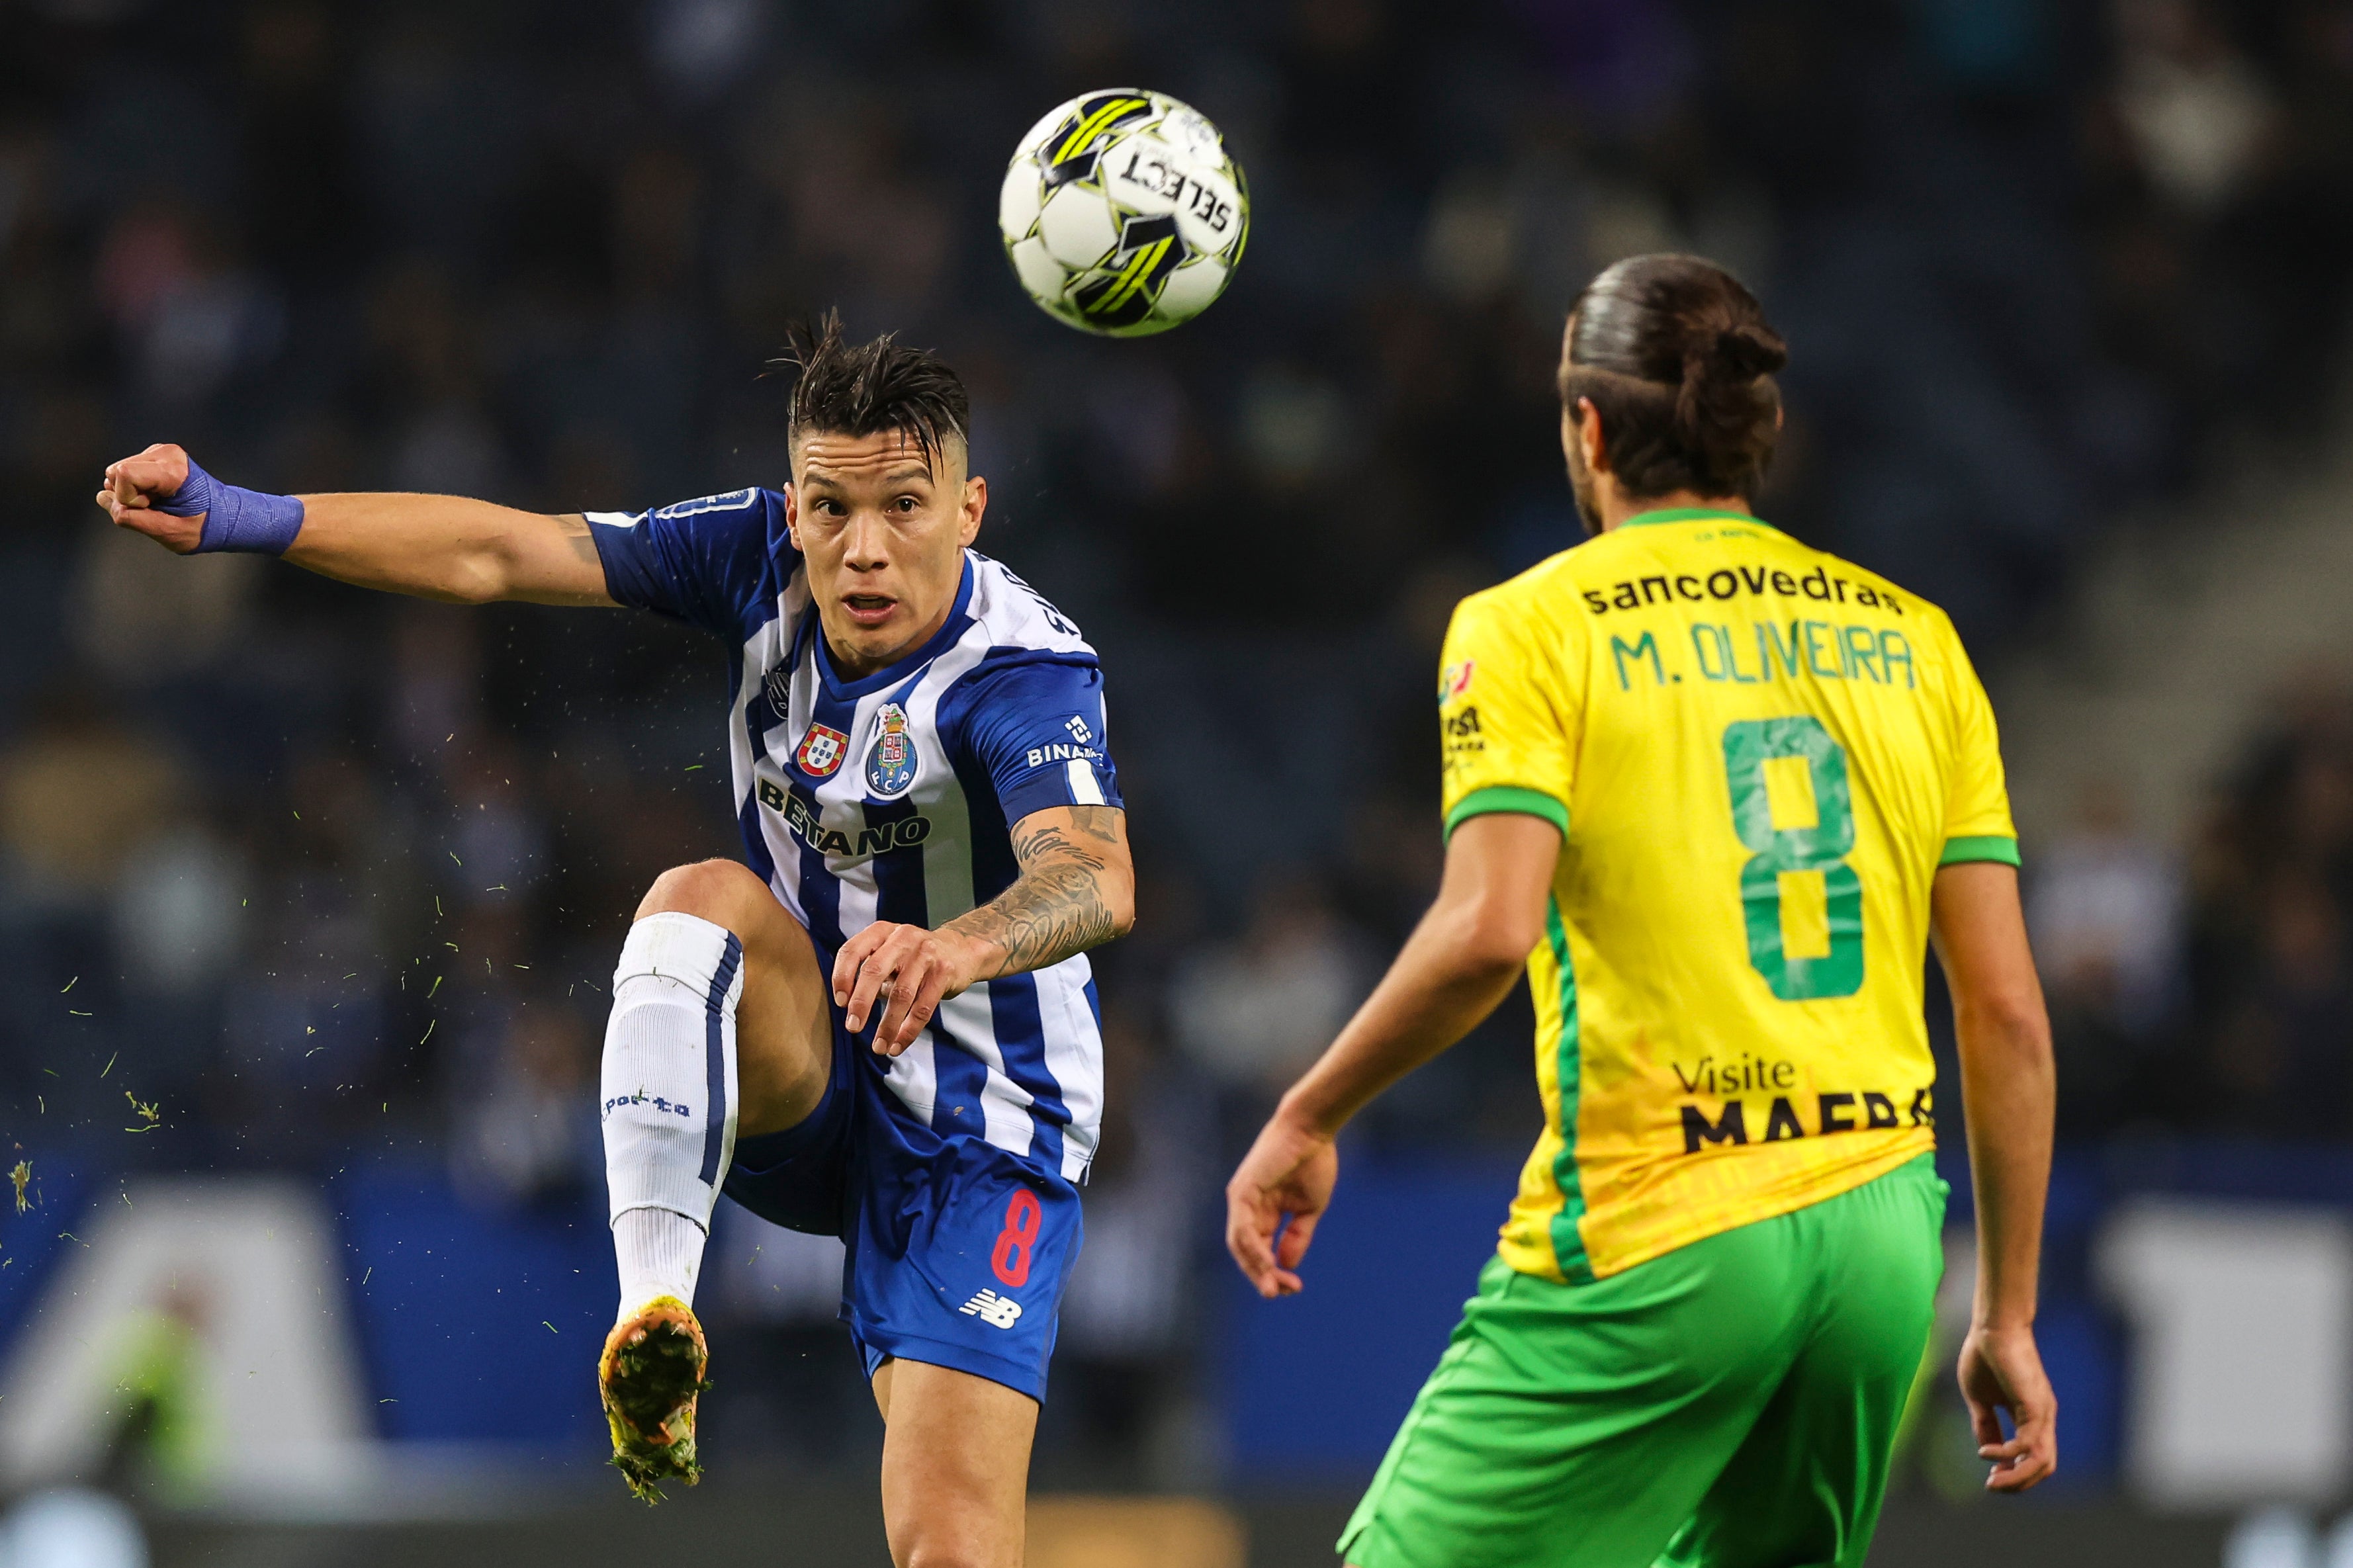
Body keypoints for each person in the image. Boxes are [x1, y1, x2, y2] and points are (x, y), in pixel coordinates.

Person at [97, 314, 1132, 1567]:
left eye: (904, 507)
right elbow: (497, 550)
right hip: (811, 1052)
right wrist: (248, 516)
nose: (863, 550)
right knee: (696, 896)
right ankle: (656, 1317)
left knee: (948, 1547)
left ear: (970, 510)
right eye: (829, 508)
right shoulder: (755, 556)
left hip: (983, 1119)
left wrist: (954, 948)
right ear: (795, 507)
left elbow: (1092, 876)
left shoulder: (1023, 671)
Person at [1224, 254, 2058, 1568]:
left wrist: (1306, 1109)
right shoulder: (1918, 642)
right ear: (1754, 430)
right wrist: (2003, 1312)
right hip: (1883, 1245)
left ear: (1589, 427)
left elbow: (1488, 930)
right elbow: (2003, 1010)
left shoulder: (1528, 625)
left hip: (1660, 1225)